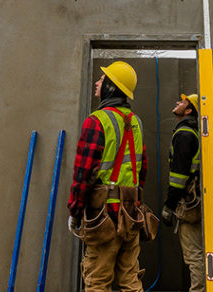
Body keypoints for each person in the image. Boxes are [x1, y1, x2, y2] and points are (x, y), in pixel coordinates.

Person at [67, 61, 148, 292]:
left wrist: (75, 211)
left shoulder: (97, 121)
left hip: (103, 219)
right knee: (130, 281)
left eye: (102, 80)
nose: (97, 82)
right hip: (131, 216)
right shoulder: (136, 122)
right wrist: (134, 203)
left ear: (112, 87)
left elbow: (83, 174)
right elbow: (142, 171)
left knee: (97, 283)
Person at [160, 93, 205, 292]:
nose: (177, 102)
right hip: (196, 200)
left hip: (189, 204)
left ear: (188, 110)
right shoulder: (193, 132)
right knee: (198, 253)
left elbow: (178, 177)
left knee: (194, 255)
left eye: (183, 102)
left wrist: (169, 206)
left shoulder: (184, 134)